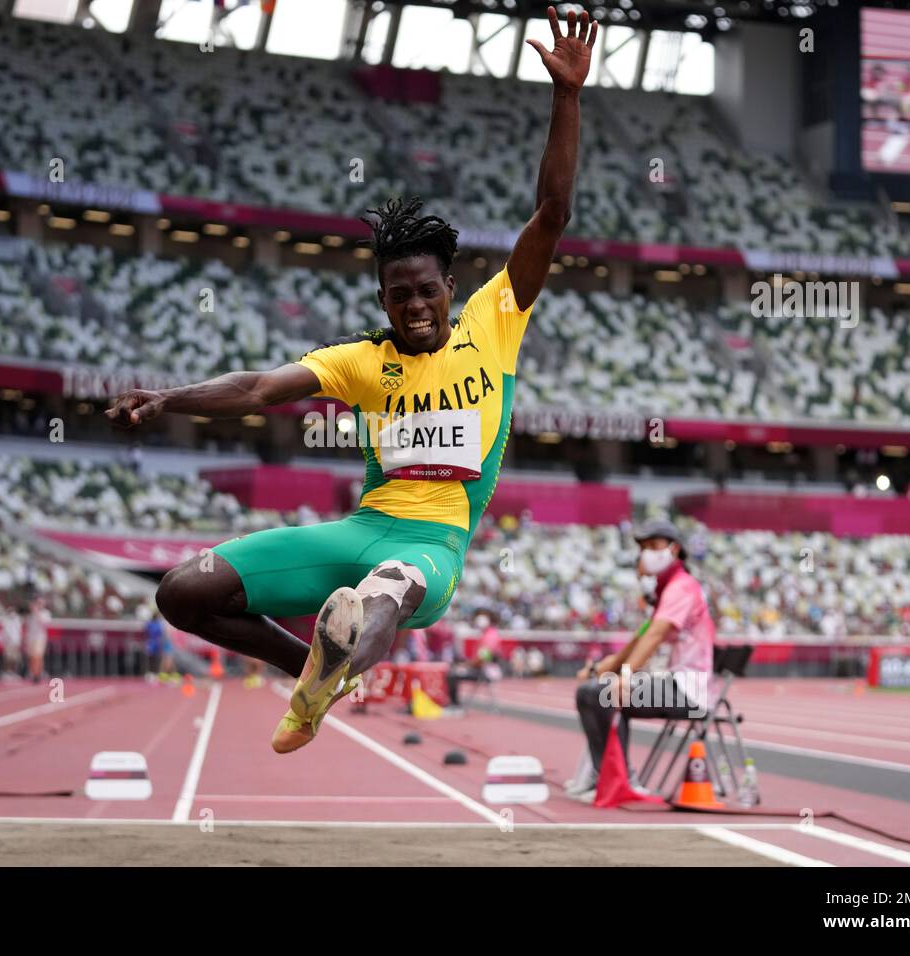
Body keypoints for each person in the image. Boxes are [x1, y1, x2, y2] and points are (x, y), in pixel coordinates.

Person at [107, 7, 598, 754]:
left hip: (432, 547)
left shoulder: (494, 322)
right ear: (382, 301)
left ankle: (339, 655)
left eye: (426, 291)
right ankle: (314, 667)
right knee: (182, 591)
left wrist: (565, 95)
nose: (415, 306)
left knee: (383, 593)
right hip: (359, 530)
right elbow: (255, 390)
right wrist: (168, 398)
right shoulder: (361, 359)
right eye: (398, 295)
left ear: (449, 286)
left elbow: (552, 213)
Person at [568, 519, 716, 803]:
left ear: (674, 550)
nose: (646, 552)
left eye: (653, 545)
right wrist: (600, 669)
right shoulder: (666, 594)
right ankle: (606, 776)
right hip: (674, 685)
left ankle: (622, 780)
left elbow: (655, 635)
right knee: (591, 692)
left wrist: (622, 676)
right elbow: (640, 638)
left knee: (602, 694)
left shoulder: (682, 587)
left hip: (690, 692)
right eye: (643, 547)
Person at [26, 596, 50, 682]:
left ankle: (38, 674)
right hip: (31, 637)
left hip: (40, 638)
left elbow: (43, 623)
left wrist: (36, 613)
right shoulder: (31, 614)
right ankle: (33, 673)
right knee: (32, 657)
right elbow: (28, 626)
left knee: (38, 656)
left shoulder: (46, 613)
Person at [1, 604, 24, 679]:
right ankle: (7, 672)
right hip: (8, 642)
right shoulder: (5, 620)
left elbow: (19, 631)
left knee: (15, 658)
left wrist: (19, 641)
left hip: (16, 642)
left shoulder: (17, 619)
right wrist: (8, 640)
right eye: (10, 611)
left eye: (13, 611)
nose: (12, 613)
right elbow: (5, 631)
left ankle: (14, 673)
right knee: (8, 658)